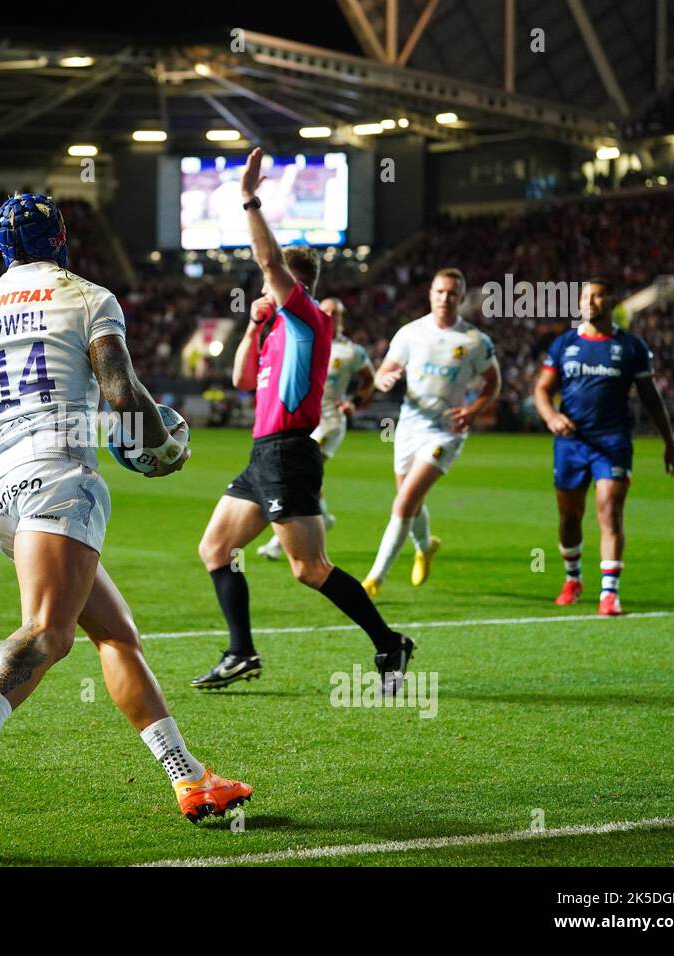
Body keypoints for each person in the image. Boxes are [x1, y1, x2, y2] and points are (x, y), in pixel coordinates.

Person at [0, 193, 251, 847]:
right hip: (59, 481)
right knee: (49, 633)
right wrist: (164, 446)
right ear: (60, 237)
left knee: (117, 636)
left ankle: (189, 776)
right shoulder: (87, 296)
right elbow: (119, 390)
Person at [190, 148, 414, 693]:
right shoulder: (276, 333)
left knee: (309, 569)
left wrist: (249, 198)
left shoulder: (308, 318)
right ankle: (241, 652)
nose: (265, 286)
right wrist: (250, 328)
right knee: (216, 549)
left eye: (272, 283)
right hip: (263, 453)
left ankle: (390, 644)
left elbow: (268, 263)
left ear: (292, 284)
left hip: (290, 451)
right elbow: (243, 380)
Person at [533, 278, 674, 615]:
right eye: (585, 296)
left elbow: (651, 399)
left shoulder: (632, 347)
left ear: (611, 300)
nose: (590, 301)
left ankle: (609, 594)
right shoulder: (564, 344)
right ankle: (573, 578)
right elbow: (541, 390)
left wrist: (670, 443)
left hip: (612, 442)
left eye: (597, 295)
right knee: (570, 517)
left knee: (609, 511)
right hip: (570, 444)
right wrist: (552, 417)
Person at [360, 269, 501, 597]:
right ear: (430, 294)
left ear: (461, 297)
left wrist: (474, 409)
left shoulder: (474, 341)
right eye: (439, 292)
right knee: (410, 500)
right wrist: (384, 381)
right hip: (408, 427)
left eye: (452, 293)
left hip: (445, 431)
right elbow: (384, 372)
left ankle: (374, 579)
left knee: (405, 500)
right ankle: (425, 547)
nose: (445, 298)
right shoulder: (411, 333)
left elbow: (493, 383)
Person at [258, 297, 374, 559]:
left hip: (330, 423)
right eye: (326, 312)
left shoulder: (351, 351)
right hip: (303, 421)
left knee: (297, 474)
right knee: (304, 477)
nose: (331, 316)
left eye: (337, 313)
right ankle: (321, 517)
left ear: (343, 318)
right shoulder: (305, 340)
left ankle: (281, 543)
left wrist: (354, 402)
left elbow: (369, 378)